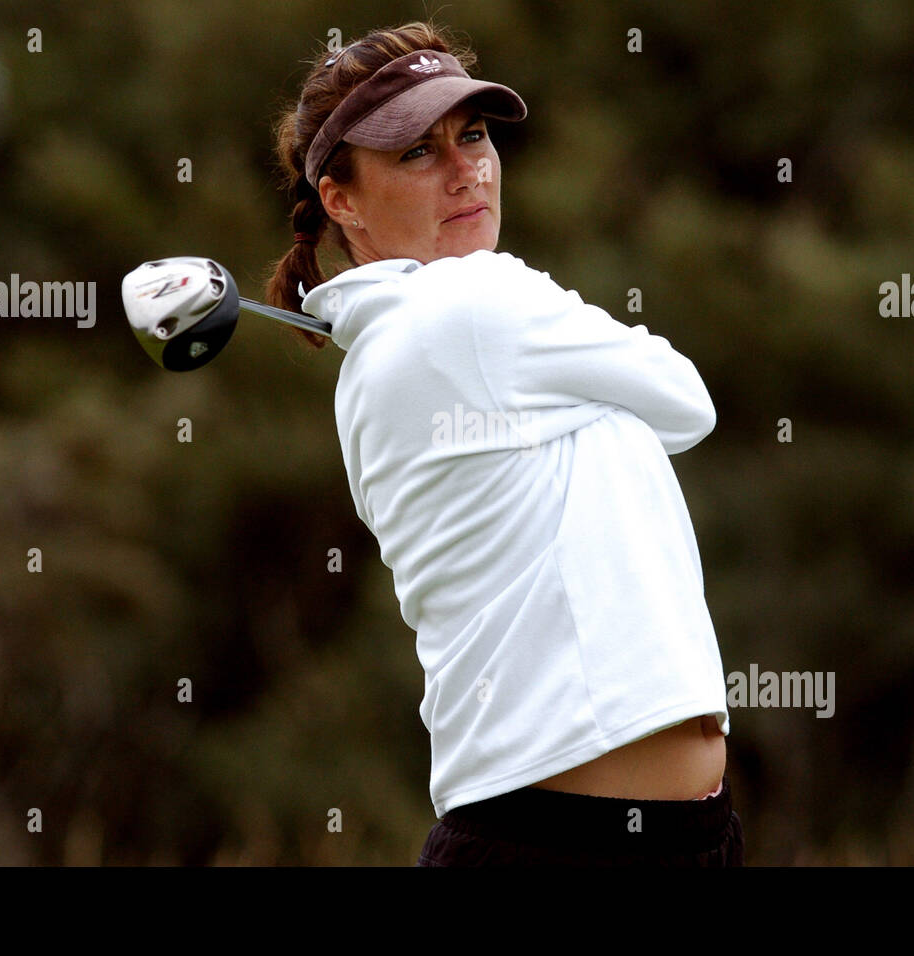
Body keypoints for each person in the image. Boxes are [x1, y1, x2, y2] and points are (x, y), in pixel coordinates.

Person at [263, 21, 742, 867]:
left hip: (660, 835)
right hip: (557, 843)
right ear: (341, 199)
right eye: (417, 152)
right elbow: (685, 400)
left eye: (474, 135)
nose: (467, 169)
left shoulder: (380, 350)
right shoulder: (474, 303)